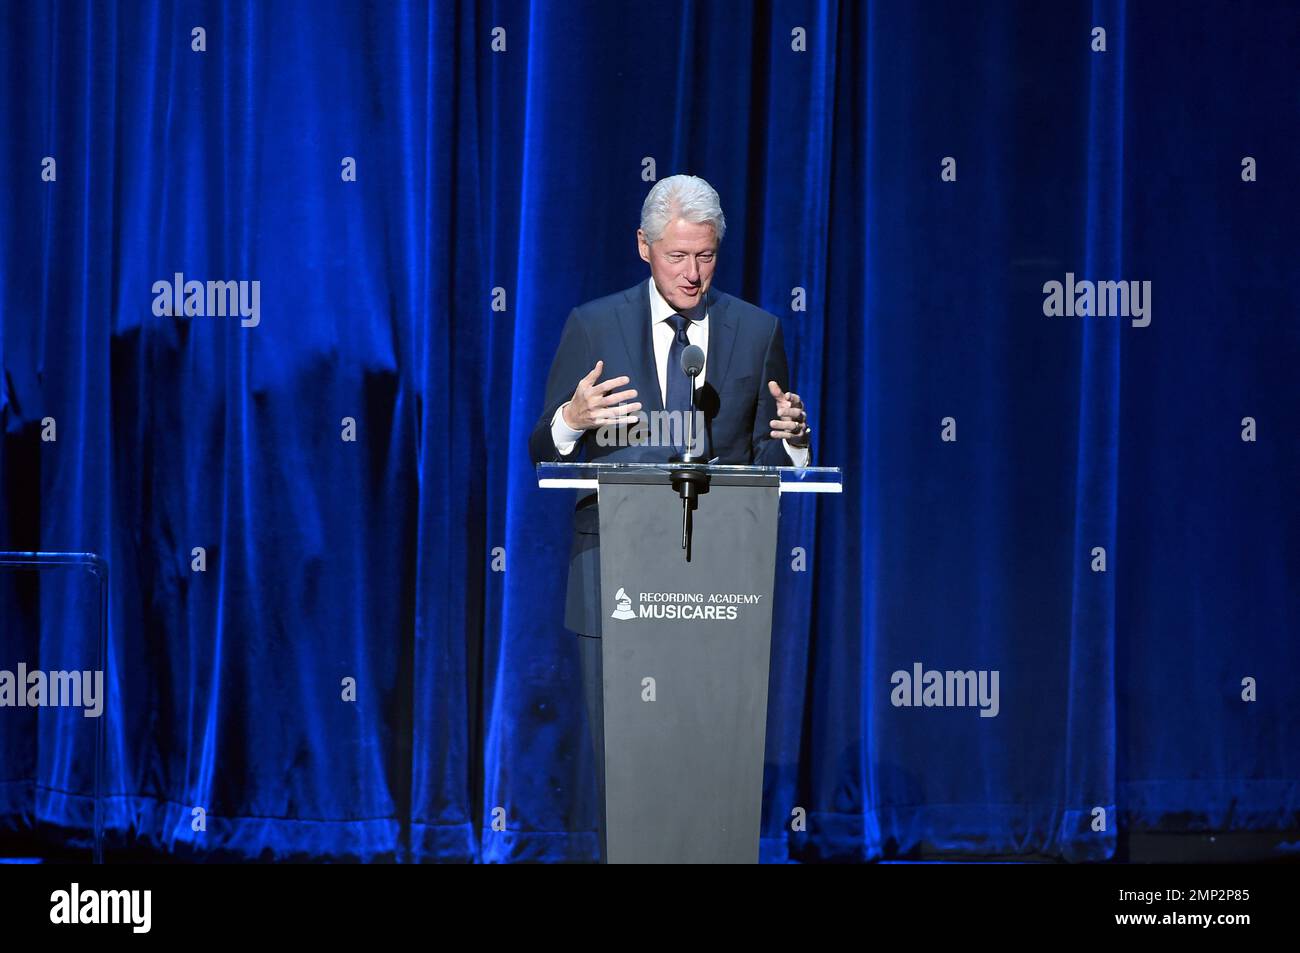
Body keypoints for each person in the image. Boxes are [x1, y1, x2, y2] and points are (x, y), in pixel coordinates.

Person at [528, 174, 812, 861]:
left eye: (706, 256)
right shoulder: (594, 325)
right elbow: (544, 447)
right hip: (615, 582)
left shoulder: (757, 329)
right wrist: (571, 418)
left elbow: (769, 452)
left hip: (718, 587)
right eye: (678, 255)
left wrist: (796, 440)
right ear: (643, 246)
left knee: (710, 769)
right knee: (626, 773)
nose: (692, 273)